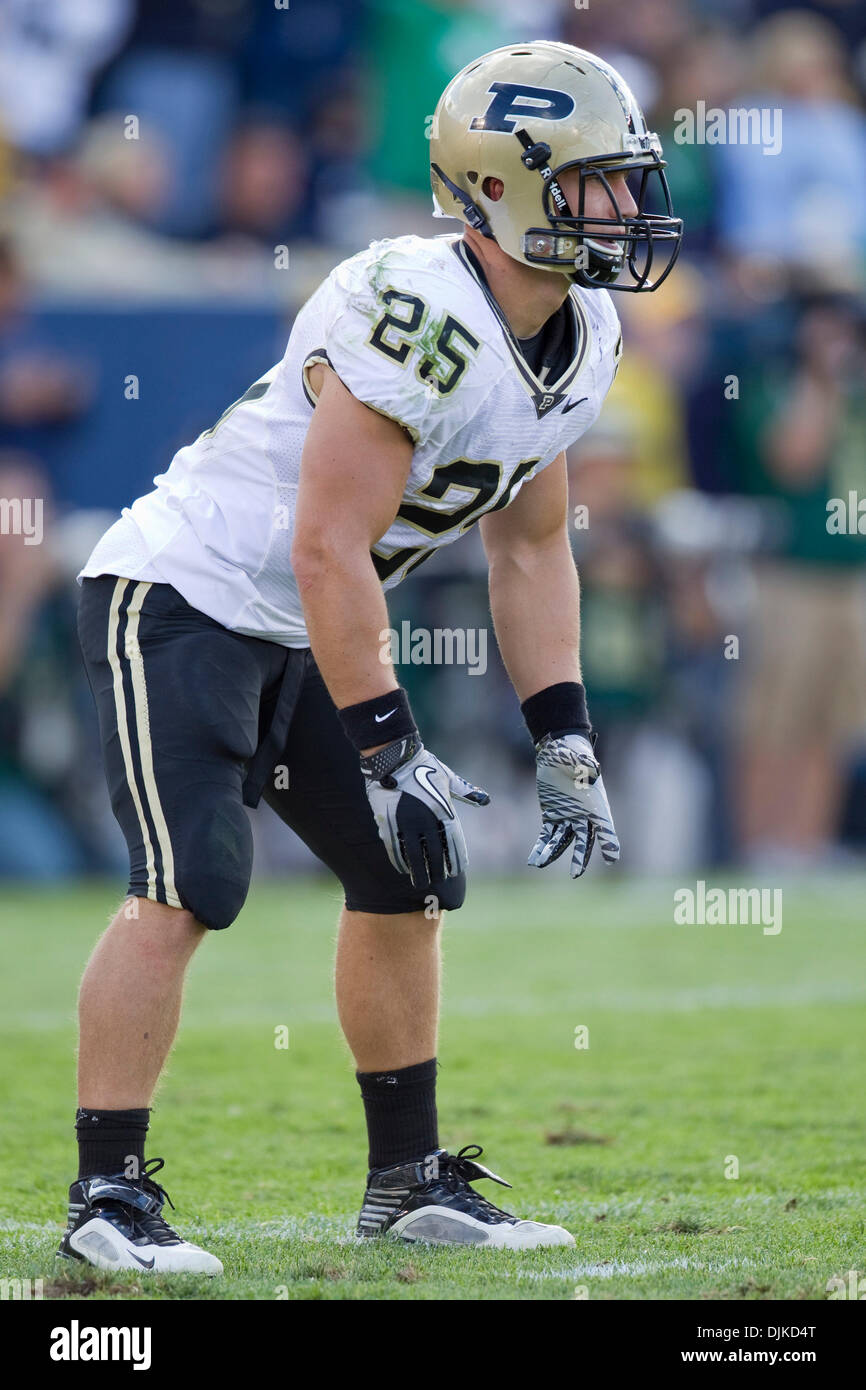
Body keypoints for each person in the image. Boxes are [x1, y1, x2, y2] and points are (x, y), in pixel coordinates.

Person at [61, 40, 682, 1272]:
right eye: (597, 181)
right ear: (506, 188)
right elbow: (326, 544)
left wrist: (562, 729)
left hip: (304, 613)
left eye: (626, 179)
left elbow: (529, 548)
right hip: (183, 592)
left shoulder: (582, 330)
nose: (627, 208)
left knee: (411, 873)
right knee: (192, 881)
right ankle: (105, 1198)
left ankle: (405, 1182)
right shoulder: (411, 305)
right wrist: (389, 745)